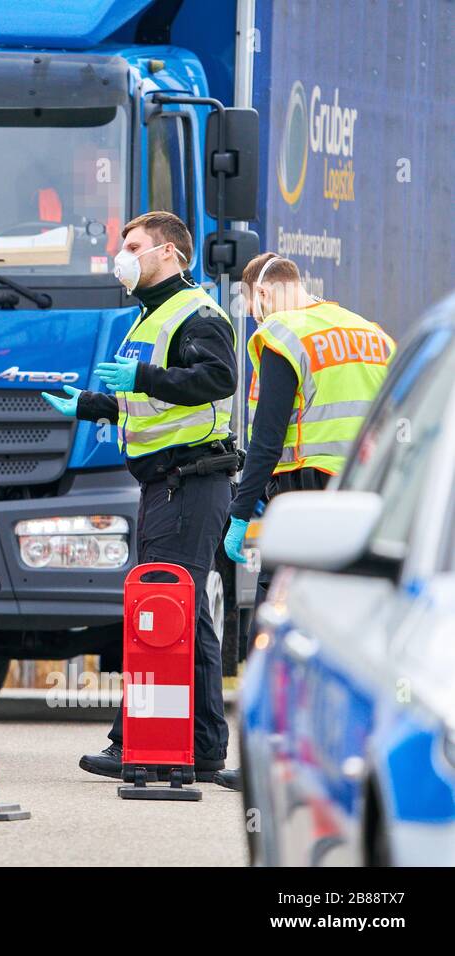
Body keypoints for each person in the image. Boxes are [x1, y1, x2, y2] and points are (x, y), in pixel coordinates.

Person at [43, 211, 238, 782]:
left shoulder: (196, 314)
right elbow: (143, 402)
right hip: (168, 484)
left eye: (133, 246)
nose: (121, 256)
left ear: (170, 254)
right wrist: (90, 405)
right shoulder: (148, 319)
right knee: (183, 614)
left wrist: (146, 379)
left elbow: (216, 379)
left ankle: (141, 741)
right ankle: (199, 746)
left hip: (190, 479)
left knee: (161, 613)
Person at [213, 253, 394, 791]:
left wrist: (240, 512)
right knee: (351, 628)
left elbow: (266, 440)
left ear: (262, 294)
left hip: (309, 498)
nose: (251, 316)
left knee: (276, 622)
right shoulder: (371, 334)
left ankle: (265, 755)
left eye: (249, 305)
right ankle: (346, 755)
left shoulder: (283, 334)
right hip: (370, 498)